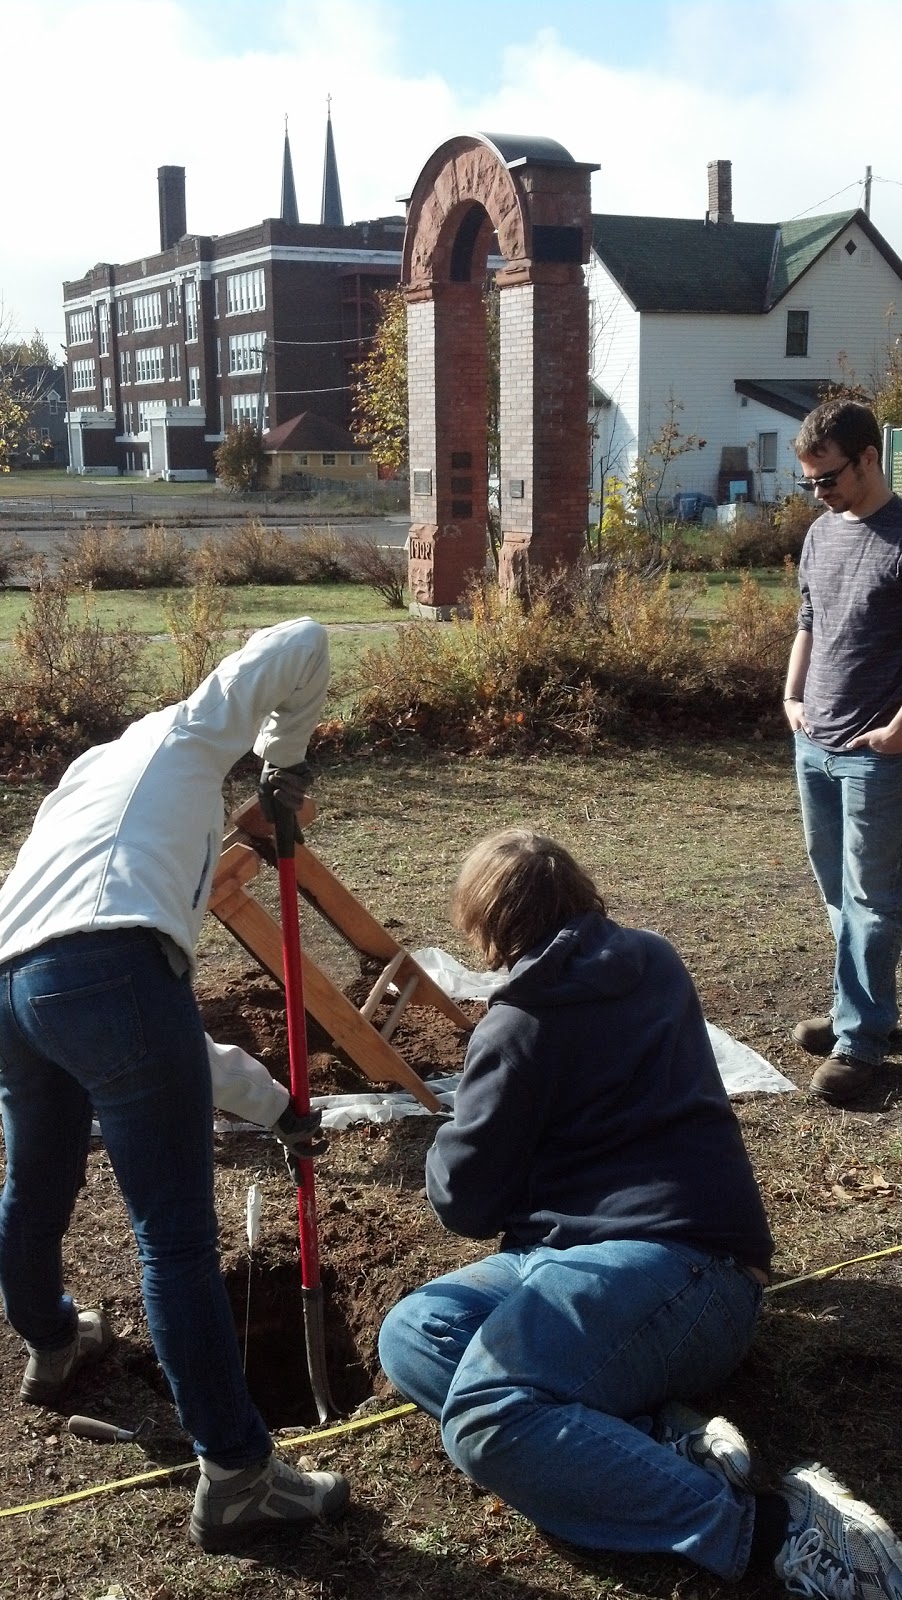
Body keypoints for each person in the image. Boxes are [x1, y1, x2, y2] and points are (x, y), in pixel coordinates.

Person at [379, 829, 902, 1597]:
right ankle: (659, 1440)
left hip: (679, 1268)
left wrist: (454, 1124)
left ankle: (774, 1532)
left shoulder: (516, 1026)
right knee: (414, 1334)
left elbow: (463, 1202)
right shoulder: (651, 957)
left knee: (489, 1415)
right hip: (608, 1256)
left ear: (487, 923)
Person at [0, 617, 350, 1553]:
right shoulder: (186, 730)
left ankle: (52, 1338)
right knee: (177, 1241)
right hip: (101, 969)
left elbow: (160, 1053)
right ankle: (237, 1476)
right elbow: (304, 638)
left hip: (15, 987)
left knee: (35, 1186)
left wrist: (278, 1106)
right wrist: (283, 760)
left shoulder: (82, 793)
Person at [784, 399, 902, 1105]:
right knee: (837, 893)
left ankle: (862, 1048)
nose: (819, 493)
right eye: (809, 484)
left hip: (876, 754)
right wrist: (791, 696)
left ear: (868, 458)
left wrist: (898, 729)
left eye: (828, 478)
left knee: (872, 899)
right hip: (815, 742)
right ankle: (859, 1013)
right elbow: (808, 621)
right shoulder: (822, 534)